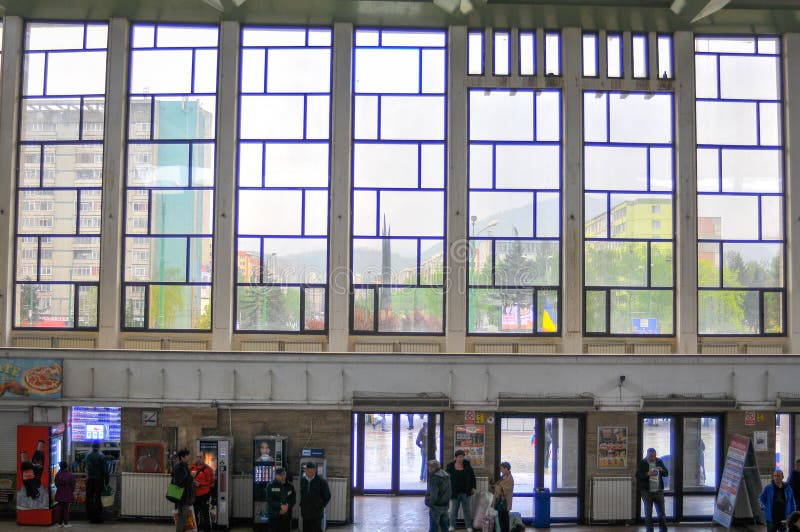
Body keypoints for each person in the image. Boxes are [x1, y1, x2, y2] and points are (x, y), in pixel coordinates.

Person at [636, 447, 669, 532]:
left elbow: (666, 473)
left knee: (661, 514)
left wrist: (662, 470)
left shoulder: (659, 461)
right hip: (647, 492)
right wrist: (647, 474)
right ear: (647, 455)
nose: (653, 458)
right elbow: (638, 475)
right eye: (651, 456)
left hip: (658, 491)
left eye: (654, 456)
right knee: (648, 514)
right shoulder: (643, 463)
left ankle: (663, 530)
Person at [447, 449, 476, 532]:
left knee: (467, 510)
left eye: (462, 457)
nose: (461, 459)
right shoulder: (450, 466)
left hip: (466, 492)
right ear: (455, 457)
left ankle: (469, 526)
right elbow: (447, 479)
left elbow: (472, 477)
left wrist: (473, 487)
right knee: (454, 510)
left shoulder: (467, 465)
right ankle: (452, 525)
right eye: (459, 457)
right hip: (454, 492)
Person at [300, 461, 331, 532]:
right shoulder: (303, 480)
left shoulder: (321, 481)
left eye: (311, 470)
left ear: (314, 470)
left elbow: (327, 496)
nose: (309, 472)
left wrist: (320, 505)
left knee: (316, 529)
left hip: (316, 513)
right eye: (307, 470)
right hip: (305, 512)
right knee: (306, 529)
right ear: (305, 470)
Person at [190, 451, 215, 532]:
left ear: (204, 458)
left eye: (200, 457)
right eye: (197, 457)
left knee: (205, 515)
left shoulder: (208, 469)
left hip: (204, 495)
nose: (199, 458)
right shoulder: (191, 468)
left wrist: (200, 484)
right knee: (194, 515)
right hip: (194, 496)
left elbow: (211, 483)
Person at [84, 442, 108, 524]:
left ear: (92, 446)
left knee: (89, 498)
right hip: (99, 479)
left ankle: (90, 517)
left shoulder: (88, 456)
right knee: (98, 498)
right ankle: (98, 517)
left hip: (90, 479)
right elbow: (105, 470)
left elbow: (87, 467)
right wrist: (106, 480)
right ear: (99, 447)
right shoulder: (102, 456)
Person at [172, 449, 196, 532]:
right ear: (182, 457)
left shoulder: (183, 466)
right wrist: (192, 476)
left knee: (182, 518)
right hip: (182, 497)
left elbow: (184, 480)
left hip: (184, 496)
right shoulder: (179, 468)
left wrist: (193, 481)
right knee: (183, 519)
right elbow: (181, 483)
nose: (189, 457)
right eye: (187, 455)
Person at [265, 466, 295, 532]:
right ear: (276, 475)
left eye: (284, 474)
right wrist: (280, 506)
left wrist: (288, 505)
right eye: (280, 475)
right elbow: (270, 500)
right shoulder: (270, 486)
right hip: (274, 516)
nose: (283, 477)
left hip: (286, 516)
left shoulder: (290, 486)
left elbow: (293, 499)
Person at [425, 459, 451, 532]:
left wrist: (429, 503)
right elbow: (449, 492)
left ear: (434, 468)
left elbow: (433, 495)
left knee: (434, 527)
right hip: (445, 505)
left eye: (429, 468)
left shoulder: (435, 478)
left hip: (436, 507)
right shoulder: (447, 476)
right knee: (445, 527)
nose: (428, 469)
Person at [53, 461, 75, 528]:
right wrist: (71, 491)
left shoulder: (57, 474)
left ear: (60, 467)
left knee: (60, 509)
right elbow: (73, 484)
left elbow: (56, 483)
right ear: (66, 466)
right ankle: (66, 523)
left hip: (60, 493)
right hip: (67, 493)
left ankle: (59, 523)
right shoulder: (70, 474)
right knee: (66, 509)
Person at [494, 461, 514, 532]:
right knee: (501, 518)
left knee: (504, 519)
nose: (501, 470)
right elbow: (499, 485)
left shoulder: (509, 478)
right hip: (501, 502)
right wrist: (495, 485)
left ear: (506, 468)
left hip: (505, 502)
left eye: (501, 468)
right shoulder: (503, 476)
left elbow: (504, 490)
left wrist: (496, 487)